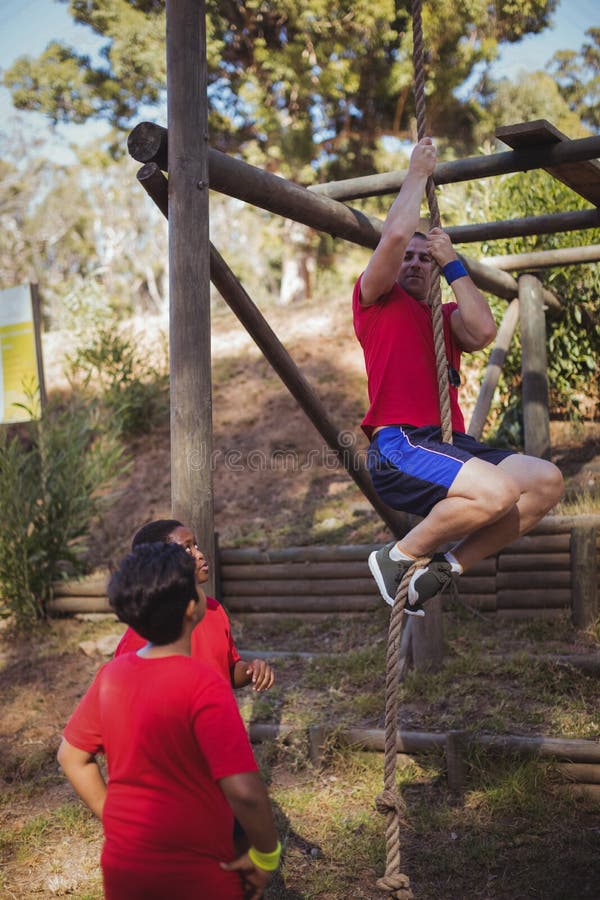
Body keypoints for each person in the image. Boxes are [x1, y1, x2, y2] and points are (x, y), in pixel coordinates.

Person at [354, 136, 564, 614]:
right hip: (400, 443)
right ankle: (396, 556)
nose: (413, 262)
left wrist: (452, 263)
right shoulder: (375, 301)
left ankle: (444, 568)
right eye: (409, 256)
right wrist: (416, 175)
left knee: (546, 481)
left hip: (448, 444)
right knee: (498, 490)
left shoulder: (444, 318)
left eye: (423, 258)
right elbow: (390, 239)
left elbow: (484, 329)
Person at [57, 542, 280, 900]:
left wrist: (115, 819)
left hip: (123, 868)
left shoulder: (110, 676)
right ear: (192, 609)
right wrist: (266, 857)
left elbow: (71, 756)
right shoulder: (204, 685)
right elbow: (244, 793)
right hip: (200, 872)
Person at [114, 519, 275, 693]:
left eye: (196, 546)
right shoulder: (142, 634)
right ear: (159, 564)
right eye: (187, 549)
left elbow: (227, 670)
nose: (199, 554)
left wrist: (250, 670)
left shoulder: (214, 609)